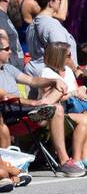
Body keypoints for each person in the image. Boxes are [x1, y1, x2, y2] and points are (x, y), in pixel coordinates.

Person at [0, 35, 71, 177]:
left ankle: (64, 162)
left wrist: (53, 81)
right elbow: (4, 95)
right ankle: (41, 109)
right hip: (9, 112)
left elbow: (32, 80)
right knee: (55, 108)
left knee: (58, 104)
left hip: (22, 109)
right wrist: (33, 103)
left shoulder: (8, 68)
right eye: (7, 49)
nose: (10, 52)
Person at [40, 42, 87, 172]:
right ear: (59, 56)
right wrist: (72, 93)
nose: (71, 57)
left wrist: (81, 90)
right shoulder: (46, 73)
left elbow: (75, 88)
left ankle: (85, 156)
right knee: (84, 120)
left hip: (73, 108)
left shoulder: (67, 70)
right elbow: (50, 98)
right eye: (69, 55)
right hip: (56, 113)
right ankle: (76, 159)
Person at [26, 0, 77, 74]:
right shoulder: (52, 25)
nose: (60, 3)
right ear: (51, 3)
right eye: (58, 0)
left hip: (36, 73)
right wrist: (76, 71)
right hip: (55, 77)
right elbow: (63, 55)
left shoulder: (31, 25)